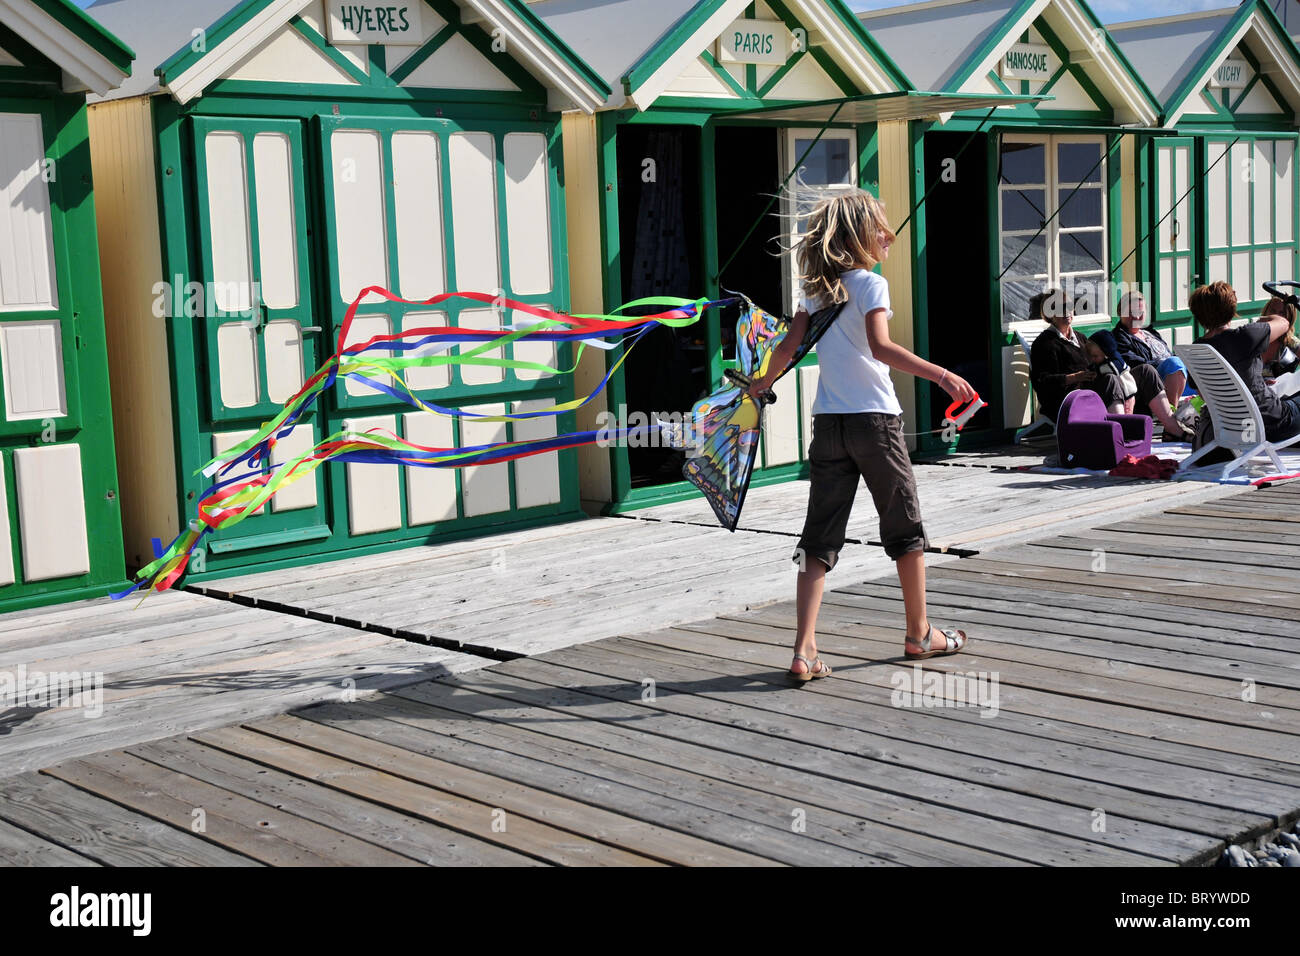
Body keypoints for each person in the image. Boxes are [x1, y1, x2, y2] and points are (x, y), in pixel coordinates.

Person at [746, 190, 973, 682]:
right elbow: (881, 347)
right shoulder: (871, 285)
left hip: (828, 424)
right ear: (858, 236)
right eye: (881, 227)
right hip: (875, 422)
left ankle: (804, 650)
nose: (889, 235)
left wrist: (761, 384)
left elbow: (787, 349)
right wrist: (942, 376)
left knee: (818, 537)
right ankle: (919, 634)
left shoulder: (815, 292)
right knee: (905, 528)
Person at [1028, 290, 1190, 438]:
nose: (1067, 311)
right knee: (1110, 379)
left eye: (1069, 306)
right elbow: (1042, 382)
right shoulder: (1045, 343)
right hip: (1073, 398)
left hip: (1097, 386)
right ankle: (1122, 435)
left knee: (1145, 371)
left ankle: (1171, 428)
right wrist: (1075, 377)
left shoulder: (1081, 338)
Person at [1190, 281, 1300, 443]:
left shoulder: (1197, 348)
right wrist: (1273, 312)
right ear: (1232, 308)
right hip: (1273, 424)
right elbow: (1283, 323)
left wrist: (1256, 386)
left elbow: (1206, 394)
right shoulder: (1246, 336)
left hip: (1235, 427)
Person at [1110, 291, 1187, 407]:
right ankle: (1172, 415)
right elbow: (1136, 364)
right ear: (1120, 312)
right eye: (1131, 312)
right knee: (1174, 363)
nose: (1136, 316)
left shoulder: (1150, 332)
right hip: (1151, 384)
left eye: (1140, 312)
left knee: (1202, 373)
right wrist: (1170, 364)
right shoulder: (1118, 337)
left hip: (1176, 379)